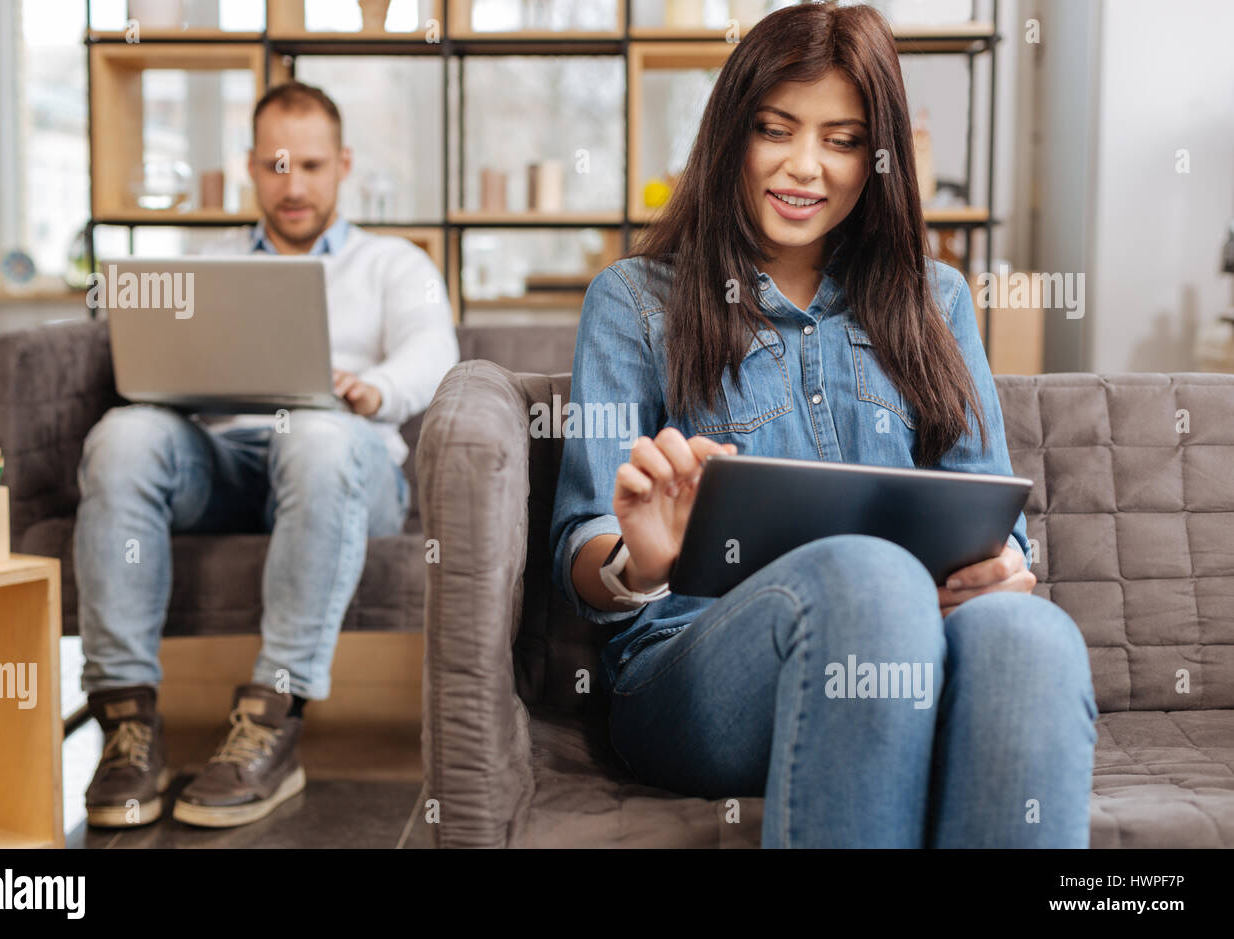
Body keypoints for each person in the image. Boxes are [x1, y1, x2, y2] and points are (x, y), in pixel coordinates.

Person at [549, 3, 1097, 848]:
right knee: (869, 579)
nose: (806, 167)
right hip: (690, 670)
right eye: (776, 129)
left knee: (1031, 635)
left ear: (879, 157)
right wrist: (640, 559)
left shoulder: (935, 300)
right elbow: (582, 549)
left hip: (914, 649)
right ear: (733, 134)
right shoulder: (633, 301)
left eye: (842, 140)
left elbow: (997, 521)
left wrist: (1005, 569)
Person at [77, 82, 458, 828]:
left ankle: (270, 719)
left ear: (343, 164)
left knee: (315, 437)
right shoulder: (200, 265)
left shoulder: (394, 264)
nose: (294, 185)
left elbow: (435, 353)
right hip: (221, 459)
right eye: (277, 165)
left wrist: (371, 389)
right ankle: (126, 725)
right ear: (251, 165)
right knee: (121, 436)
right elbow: (147, 364)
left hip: (345, 460)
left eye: (312, 165)